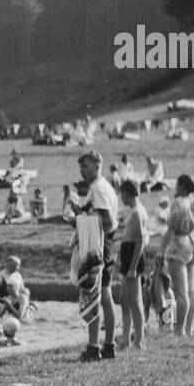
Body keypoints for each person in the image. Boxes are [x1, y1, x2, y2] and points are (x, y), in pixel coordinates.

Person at [67, 149, 118, 361]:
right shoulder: (105, 187)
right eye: (80, 169)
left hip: (98, 244)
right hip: (106, 244)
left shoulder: (97, 188)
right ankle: (108, 345)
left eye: (86, 167)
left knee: (93, 295)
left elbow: (106, 221)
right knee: (105, 295)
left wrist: (79, 219)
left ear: (97, 165)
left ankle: (93, 346)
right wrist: (80, 213)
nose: (82, 172)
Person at [159, 173, 194, 339]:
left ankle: (178, 330)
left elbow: (171, 230)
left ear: (181, 186)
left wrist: (161, 250)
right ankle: (188, 328)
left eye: (177, 183)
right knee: (191, 291)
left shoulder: (178, 203)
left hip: (179, 245)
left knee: (181, 292)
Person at [116, 179, 147, 351]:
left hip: (133, 260)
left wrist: (133, 267)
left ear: (127, 194)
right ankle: (125, 339)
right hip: (127, 258)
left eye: (122, 194)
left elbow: (141, 240)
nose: (121, 198)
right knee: (124, 300)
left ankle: (139, 340)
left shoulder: (137, 213)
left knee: (135, 301)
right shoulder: (135, 211)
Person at [0, 255, 32, 320]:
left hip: (19, 304)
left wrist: (26, 291)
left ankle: (26, 309)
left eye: (19, 265)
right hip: (6, 305)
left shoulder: (18, 275)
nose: (18, 268)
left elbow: (22, 289)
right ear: (9, 265)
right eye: (17, 265)